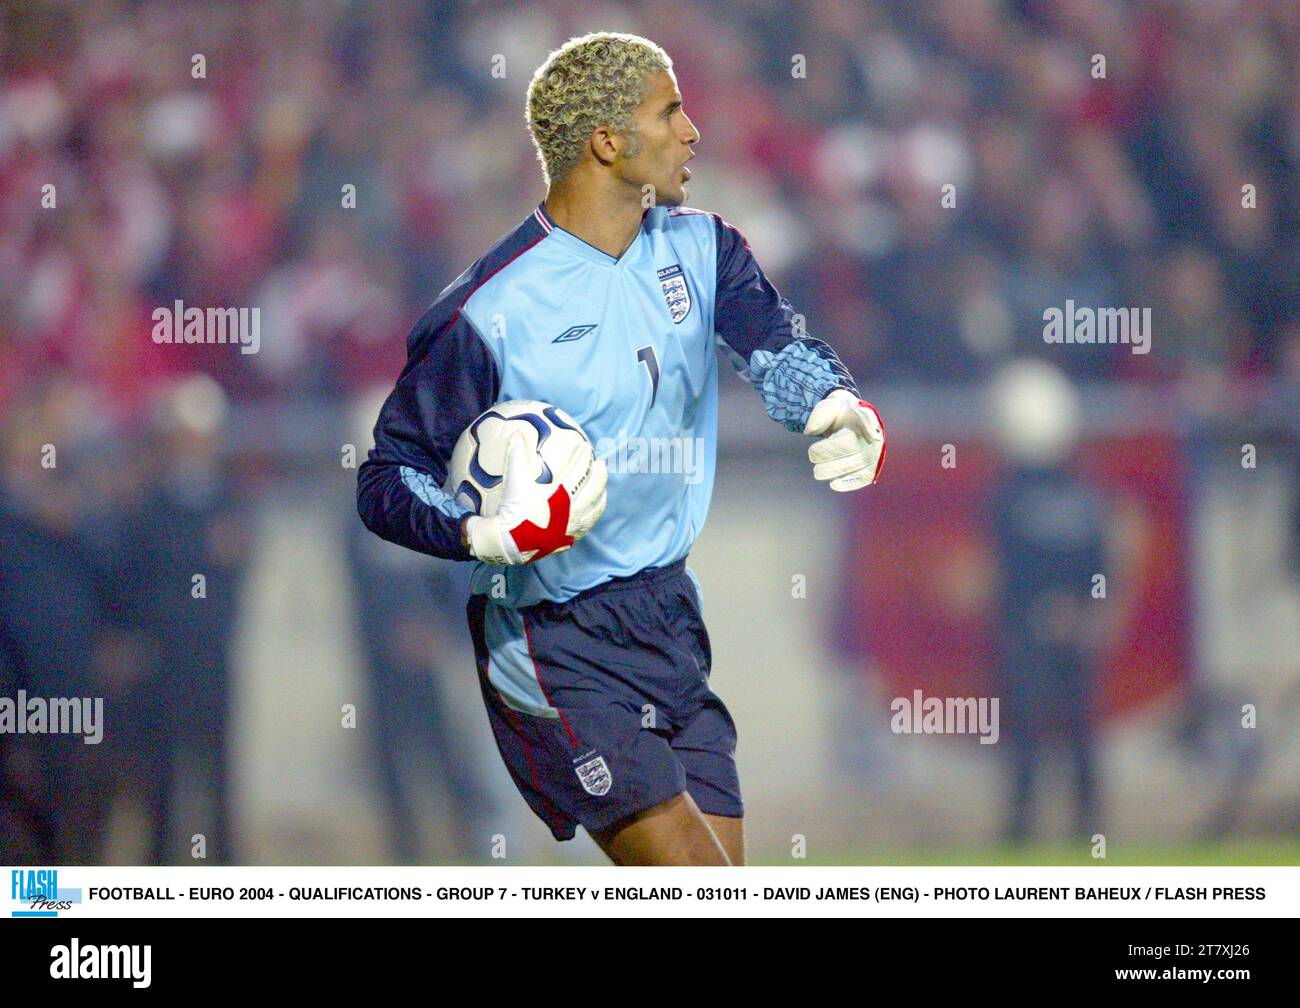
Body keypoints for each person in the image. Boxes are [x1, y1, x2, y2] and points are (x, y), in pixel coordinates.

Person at [356, 32, 885, 866]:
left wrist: (834, 403)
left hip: (670, 615)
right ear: (607, 142)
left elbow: (775, 346)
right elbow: (387, 477)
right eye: (669, 111)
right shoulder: (490, 309)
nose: (692, 131)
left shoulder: (704, 250)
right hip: (552, 635)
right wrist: (474, 532)